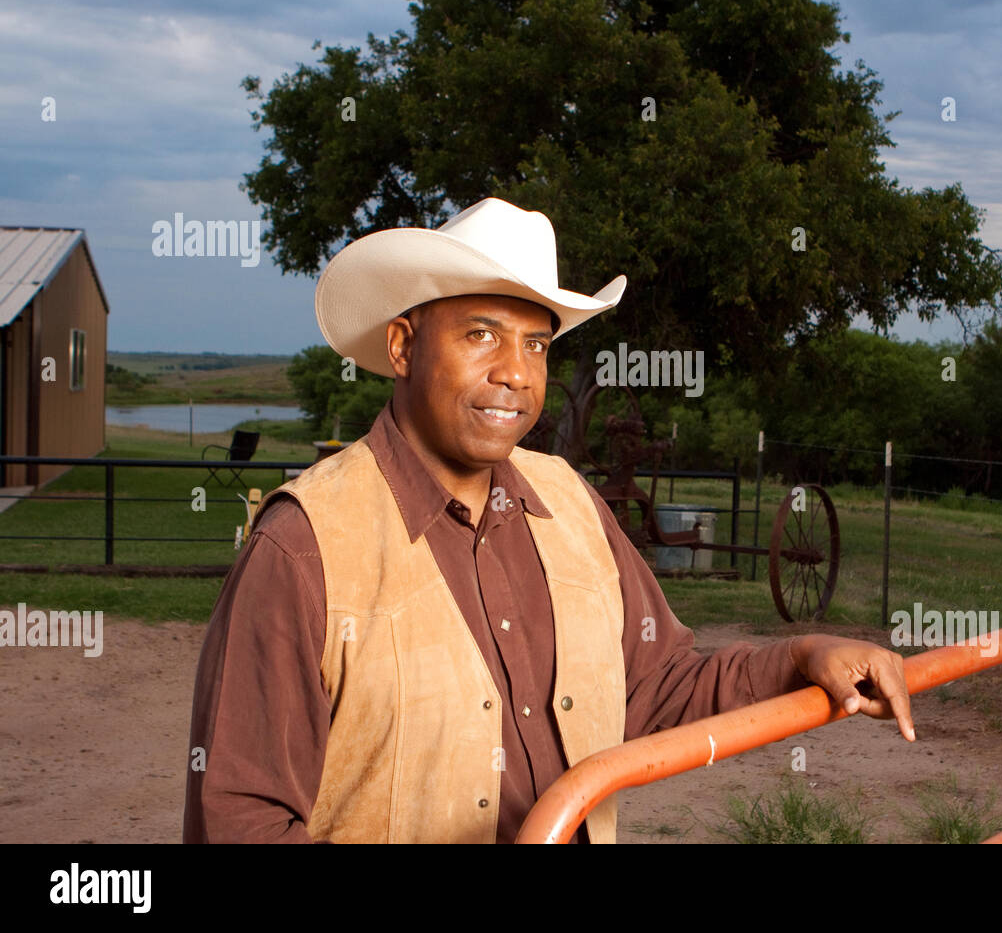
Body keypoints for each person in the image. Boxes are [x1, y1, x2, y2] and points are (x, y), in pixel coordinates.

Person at [183, 197, 914, 844]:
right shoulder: (305, 544)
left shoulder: (568, 501)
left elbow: (656, 688)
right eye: (481, 335)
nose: (516, 372)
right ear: (403, 347)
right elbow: (240, 820)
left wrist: (799, 656)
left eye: (535, 343)